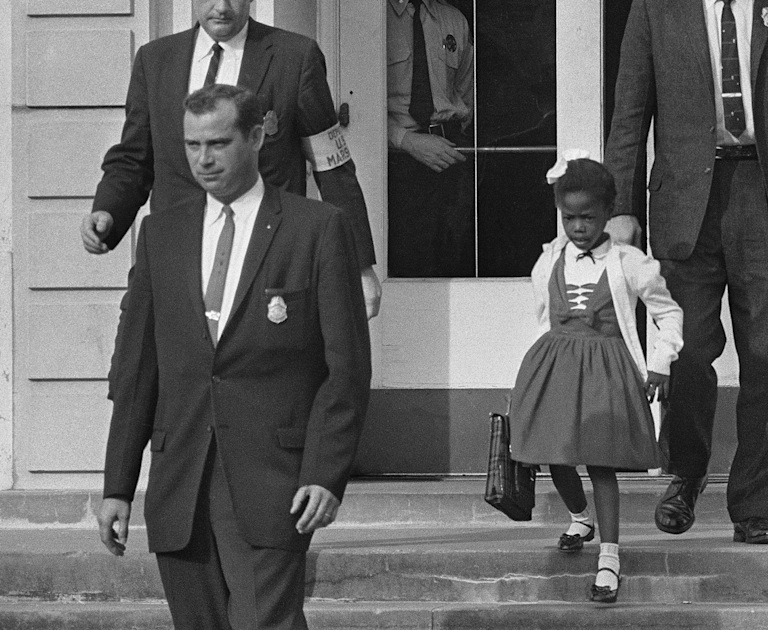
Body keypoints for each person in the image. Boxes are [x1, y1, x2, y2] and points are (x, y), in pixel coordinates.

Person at [97, 84, 372, 630]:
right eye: (192, 145)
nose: (203, 159)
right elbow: (137, 369)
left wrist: (324, 471)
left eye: (219, 143)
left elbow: (346, 369)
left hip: (276, 481)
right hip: (180, 481)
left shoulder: (315, 229)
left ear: (257, 135)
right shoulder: (161, 234)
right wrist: (117, 486)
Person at [604, 0, 768, 544]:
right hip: (686, 203)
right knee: (685, 349)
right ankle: (687, 472)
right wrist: (620, 207)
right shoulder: (655, 10)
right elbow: (628, 111)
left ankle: (755, 506)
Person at [80, 0, 382, 319]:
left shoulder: (295, 57)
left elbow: (331, 166)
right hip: (173, 265)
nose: (221, 7)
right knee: (138, 367)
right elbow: (134, 160)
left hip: (266, 270)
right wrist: (108, 212)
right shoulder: (154, 61)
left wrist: (359, 265)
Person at [508, 152, 683, 603]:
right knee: (554, 453)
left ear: (609, 213)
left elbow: (667, 311)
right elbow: (543, 316)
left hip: (606, 370)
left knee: (601, 462)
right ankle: (580, 516)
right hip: (556, 367)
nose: (579, 227)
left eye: (588, 217)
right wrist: (530, 377)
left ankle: (609, 557)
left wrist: (662, 361)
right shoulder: (550, 261)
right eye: (570, 218)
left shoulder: (629, 262)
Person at [386, 0, 476, 277]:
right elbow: (357, 103)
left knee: (456, 260)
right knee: (407, 263)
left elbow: (466, 92)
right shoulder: (373, 19)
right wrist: (406, 141)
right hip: (395, 158)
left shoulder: (453, 20)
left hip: (449, 153)